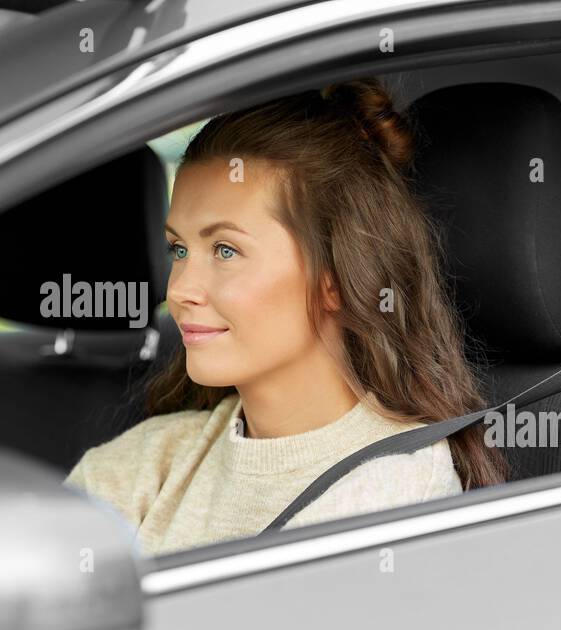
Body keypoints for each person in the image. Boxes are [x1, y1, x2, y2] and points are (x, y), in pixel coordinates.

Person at [64, 79, 506, 555]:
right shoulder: (144, 463)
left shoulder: (394, 484)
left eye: (226, 250)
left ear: (334, 276)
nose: (180, 290)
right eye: (179, 249)